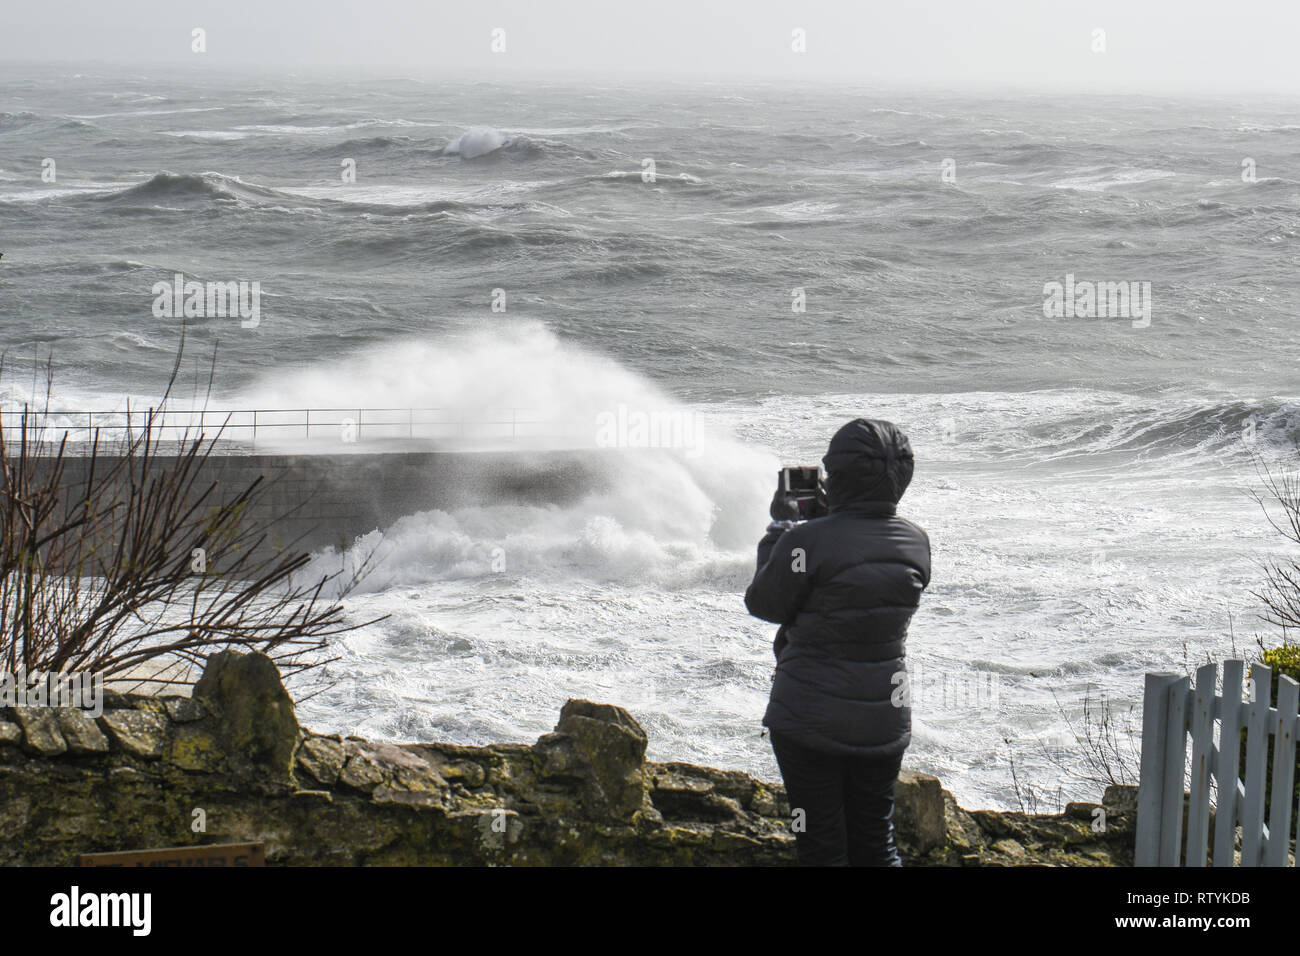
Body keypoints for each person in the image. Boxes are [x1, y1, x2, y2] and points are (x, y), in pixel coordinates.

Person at [744, 418, 931, 866]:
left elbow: (765, 603)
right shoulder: (916, 542)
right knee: (875, 840)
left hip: (808, 718)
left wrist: (779, 530)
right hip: (884, 719)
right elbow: (857, 570)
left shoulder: (805, 539)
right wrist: (832, 520)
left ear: (838, 476)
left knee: (820, 843)